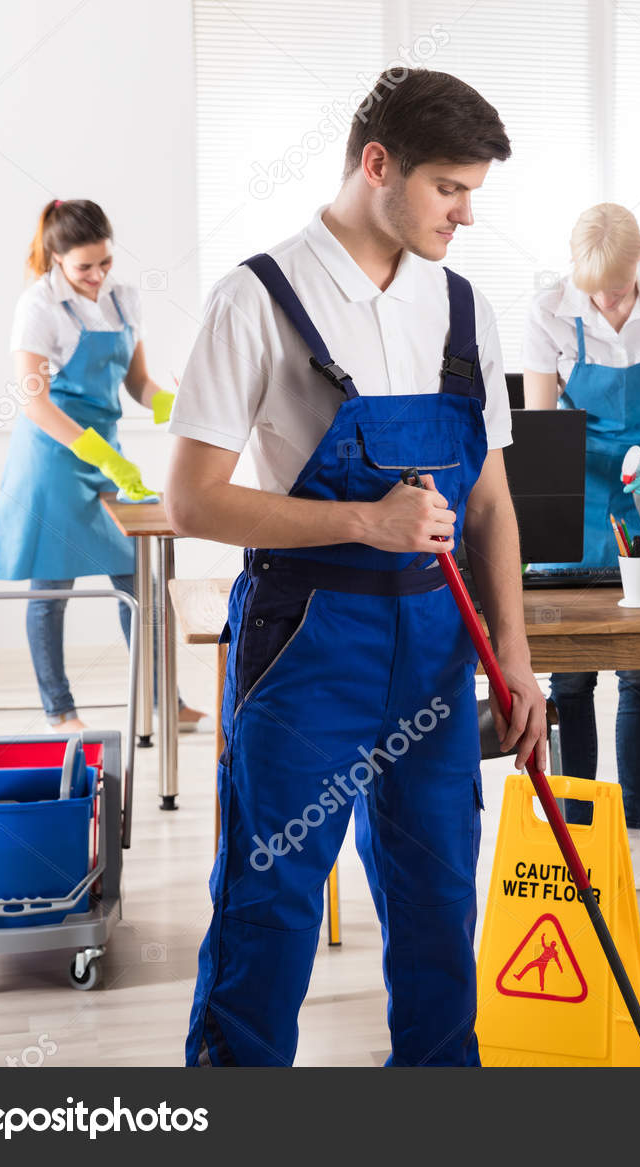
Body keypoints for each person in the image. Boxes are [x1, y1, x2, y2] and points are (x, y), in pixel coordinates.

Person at [166, 69, 546, 1067]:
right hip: (308, 639)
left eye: (473, 191)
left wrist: (513, 654)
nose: (465, 214)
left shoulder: (461, 307)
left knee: (438, 899)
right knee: (272, 900)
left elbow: (489, 502)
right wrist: (364, 522)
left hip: (435, 646)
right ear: (377, 164)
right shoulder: (257, 298)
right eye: (448, 188)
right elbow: (192, 501)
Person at [522, 203, 640, 891]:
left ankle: (631, 833)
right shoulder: (548, 310)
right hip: (573, 487)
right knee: (572, 673)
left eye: (619, 288)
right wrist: (530, 526)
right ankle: (579, 835)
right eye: (595, 290)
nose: (607, 301)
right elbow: (540, 421)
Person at [0, 199, 204, 732]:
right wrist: (104, 457)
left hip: (106, 456)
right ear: (56, 258)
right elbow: (34, 401)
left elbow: (138, 384)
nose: (97, 275)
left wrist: (174, 404)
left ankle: (164, 701)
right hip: (52, 459)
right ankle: (59, 710)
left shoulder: (123, 299)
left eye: (105, 262)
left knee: (136, 585)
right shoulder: (39, 306)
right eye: (84, 266)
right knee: (51, 593)